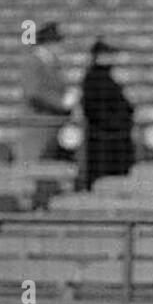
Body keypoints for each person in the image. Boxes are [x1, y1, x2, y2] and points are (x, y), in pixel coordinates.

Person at [80, 39, 135, 190]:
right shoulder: (95, 79)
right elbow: (95, 110)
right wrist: (117, 124)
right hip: (105, 140)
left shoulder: (105, 77)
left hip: (113, 139)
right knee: (106, 181)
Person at [20, 21, 74, 166]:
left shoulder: (52, 63)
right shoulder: (34, 62)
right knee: (37, 167)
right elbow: (33, 93)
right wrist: (61, 102)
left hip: (53, 124)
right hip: (40, 124)